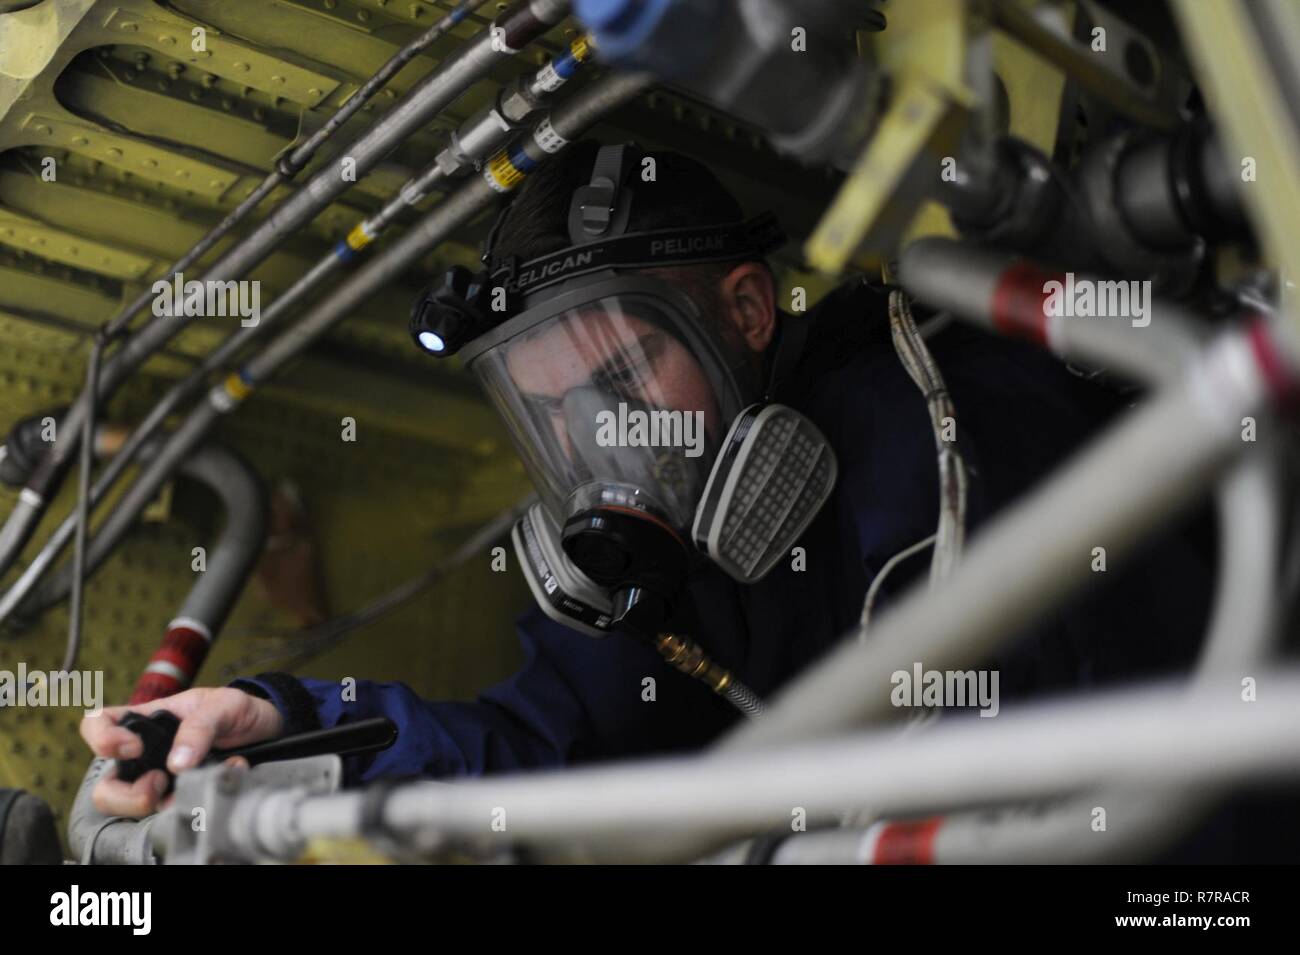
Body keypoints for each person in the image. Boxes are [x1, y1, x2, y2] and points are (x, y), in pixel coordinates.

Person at [80, 140, 1215, 821]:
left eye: (625, 369)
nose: (599, 434)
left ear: (746, 313)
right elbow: (533, 752)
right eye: (552, 407)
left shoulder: (951, 432)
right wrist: (285, 716)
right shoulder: (638, 570)